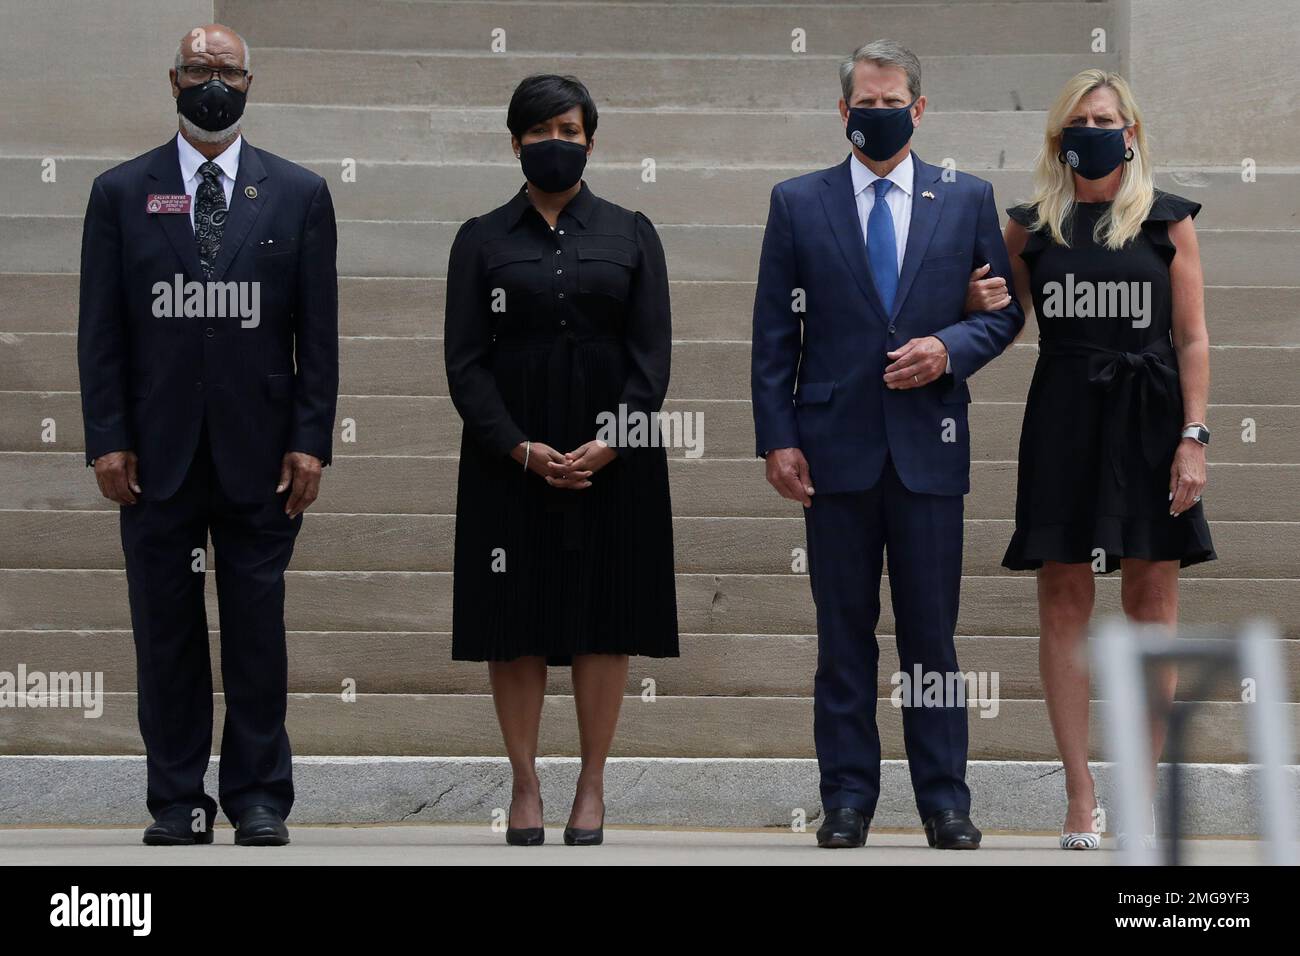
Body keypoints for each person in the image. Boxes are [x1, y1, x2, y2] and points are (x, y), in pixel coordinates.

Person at [751, 40, 1023, 849]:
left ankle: (945, 800)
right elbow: (773, 334)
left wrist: (950, 346)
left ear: (920, 106)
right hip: (832, 452)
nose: (878, 115)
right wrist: (777, 438)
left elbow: (1003, 311)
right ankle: (846, 801)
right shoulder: (798, 202)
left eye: (891, 101)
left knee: (931, 635)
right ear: (843, 112)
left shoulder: (966, 197)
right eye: (863, 104)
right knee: (842, 636)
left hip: (929, 449)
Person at [76, 24, 339, 846]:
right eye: (198, 68)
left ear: (251, 82)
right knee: (166, 633)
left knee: (258, 631)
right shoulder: (122, 193)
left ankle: (259, 795)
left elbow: (318, 334)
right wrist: (107, 436)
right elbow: (101, 329)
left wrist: (312, 439)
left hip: (261, 455)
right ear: (173, 79)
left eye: (225, 70)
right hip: (154, 455)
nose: (211, 81)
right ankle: (177, 801)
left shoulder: (296, 193)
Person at [969, 69, 1215, 849]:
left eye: (1107, 118)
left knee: (1152, 606)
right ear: (1057, 136)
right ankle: (1081, 798)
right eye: (1079, 119)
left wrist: (1195, 438)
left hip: (1150, 417)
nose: (1094, 129)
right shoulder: (1031, 225)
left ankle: (1137, 793)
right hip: (1064, 419)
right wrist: (974, 307)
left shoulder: (1166, 221)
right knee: (1065, 605)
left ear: (1131, 131)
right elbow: (1001, 321)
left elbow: (1194, 337)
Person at [444, 74, 678, 847]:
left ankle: (591, 785)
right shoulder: (480, 238)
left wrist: (614, 440)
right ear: (515, 141)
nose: (556, 144)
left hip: (616, 456)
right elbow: (465, 362)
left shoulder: (631, 231)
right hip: (506, 455)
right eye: (540, 132)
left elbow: (652, 357)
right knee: (512, 623)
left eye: (570, 131)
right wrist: (518, 446)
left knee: (602, 620)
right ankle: (524, 783)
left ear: (591, 140)